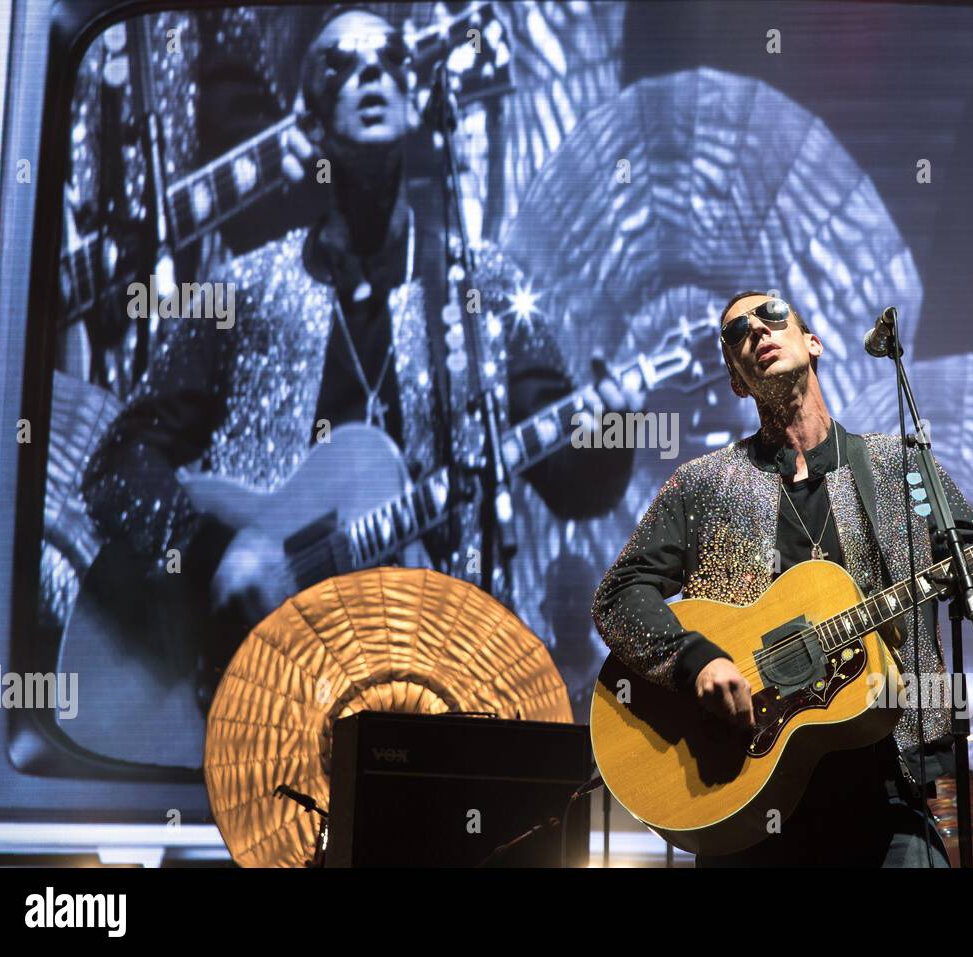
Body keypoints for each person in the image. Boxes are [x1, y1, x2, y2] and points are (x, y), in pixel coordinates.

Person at [81, 9, 637, 699]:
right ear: (306, 122)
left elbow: (574, 481)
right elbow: (116, 466)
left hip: (427, 683)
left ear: (417, 98)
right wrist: (215, 554)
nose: (369, 71)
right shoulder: (244, 289)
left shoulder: (482, 287)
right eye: (339, 64)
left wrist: (612, 429)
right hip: (258, 692)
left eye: (389, 58)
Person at [591, 291, 973, 866]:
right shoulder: (704, 485)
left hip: (887, 783)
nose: (756, 332)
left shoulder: (900, 465)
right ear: (737, 381)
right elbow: (619, 594)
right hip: (745, 786)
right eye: (737, 332)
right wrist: (698, 660)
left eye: (771, 316)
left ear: (812, 344)